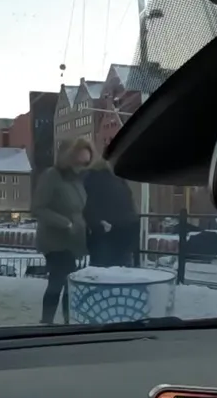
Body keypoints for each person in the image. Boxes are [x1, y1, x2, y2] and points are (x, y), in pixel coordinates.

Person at [31, 138, 91, 324]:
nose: (82, 167)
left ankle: (65, 321)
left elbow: (80, 209)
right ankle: (49, 321)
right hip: (55, 240)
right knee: (59, 280)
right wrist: (65, 223)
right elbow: (38, 208)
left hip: (72, 240)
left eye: (86, 163)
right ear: (69, 158)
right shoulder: (51, 176)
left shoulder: (77, 180)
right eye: (80, 162)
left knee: (66, 282)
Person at [83, 157, 139, 267]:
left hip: (117, 232)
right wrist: (98, 223)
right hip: (113, 232)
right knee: (111, 267)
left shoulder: (116, 179)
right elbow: (88, 204)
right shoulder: (98, 178)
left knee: (111, 267)